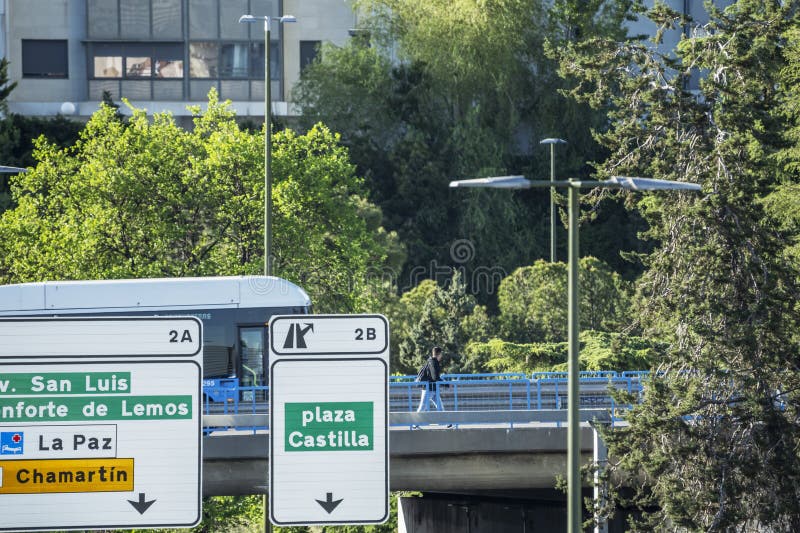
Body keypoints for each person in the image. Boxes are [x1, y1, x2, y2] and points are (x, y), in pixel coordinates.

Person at [416, 346, 446, 413]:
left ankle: (444, 422)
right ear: (439, 354)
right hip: (428, 389)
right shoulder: (433, 362)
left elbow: (434, 377)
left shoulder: (432, 361)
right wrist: (446, 384)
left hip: (433, 388)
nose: (441, 356)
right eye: (441, 354)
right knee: (422, 407)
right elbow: (435, 377)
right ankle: (415, 423)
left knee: (440, 407)